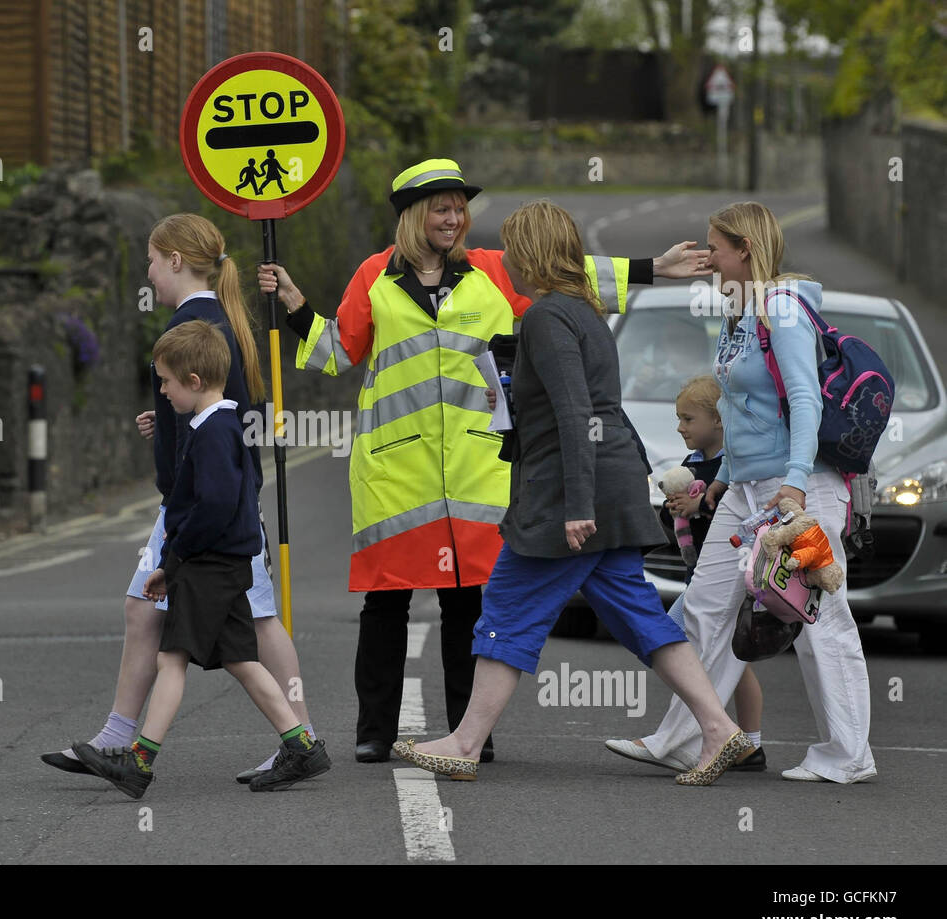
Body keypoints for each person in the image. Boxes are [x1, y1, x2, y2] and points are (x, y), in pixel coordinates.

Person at [258, 158, 711, 763]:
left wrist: (655, 268)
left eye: (459, 208)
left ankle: (470, 733)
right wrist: (294, 307)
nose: (453, 218)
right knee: (387, 600)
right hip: (398, 472)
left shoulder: (495, 270)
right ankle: (374, 732)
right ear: (414, 217)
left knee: (469, 598)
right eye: (441, 209)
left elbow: (570, 275)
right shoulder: (374, 275)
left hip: (478, 469)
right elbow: (339, 351)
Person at [390, 200, 750, 785]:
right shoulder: (583, 311)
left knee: (505, 607)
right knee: (640, 617)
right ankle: (719, 729)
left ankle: (463, 743)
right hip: (606, 482)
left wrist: (578, 506)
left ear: (531, 253)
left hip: (566, 493)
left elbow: (576, 413)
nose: (504, 257)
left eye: (512, 246)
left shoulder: (546, 317)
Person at [41, 213, 317, 784]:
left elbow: (227, 416)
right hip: (211, 498)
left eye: (150, 259)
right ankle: (126, 740)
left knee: (242, 623)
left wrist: (192, 462)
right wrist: (166, 424)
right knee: (167, 615)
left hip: (206, 505)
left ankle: (298, 740)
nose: (146, 272)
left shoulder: (199, 324)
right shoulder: (212, 318)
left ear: (172, 259)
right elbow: (225, 409)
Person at [607, 201, 876, 783]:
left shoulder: (781, 309)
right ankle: (682, 738)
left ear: (745, 249)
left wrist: (796, 486)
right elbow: (744, 409)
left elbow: (805, 400)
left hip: (797, 493)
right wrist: (719, 483)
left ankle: (849, 755)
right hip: (746, 490)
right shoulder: (741, 312)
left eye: (715, 246)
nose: (707, 257)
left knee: (820, 620)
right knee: (704, 609)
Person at [71, 321, 330, 796]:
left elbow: (210, 506)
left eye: (166, 381)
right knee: (241, 659)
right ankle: (302, 745)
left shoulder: (213, 433)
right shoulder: (217, 426)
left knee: (170, 659)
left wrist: (175, 558)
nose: (162, 390)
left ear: (193, 381)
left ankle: (139, 763)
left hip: (208, 566)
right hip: (224, 565)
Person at [606, 375, 766, 770]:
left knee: (672, 640)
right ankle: (745, 744)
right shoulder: (691, 464)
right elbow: (678, 511)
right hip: (699, 572)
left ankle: (725, 737)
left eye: (688, 419)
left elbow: (742, 512)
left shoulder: (732, 467)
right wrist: (674, 508)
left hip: (731, 573)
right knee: (731, 661)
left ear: (718, 420)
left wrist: (701, 507)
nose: (680, 428)